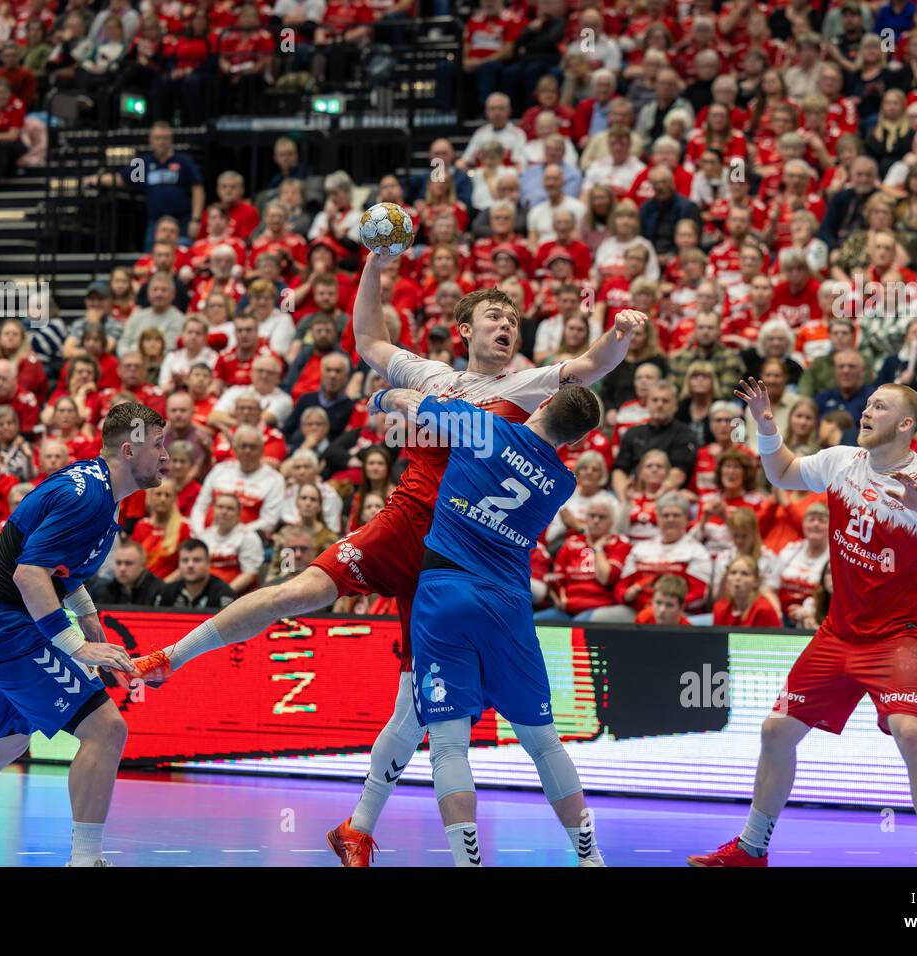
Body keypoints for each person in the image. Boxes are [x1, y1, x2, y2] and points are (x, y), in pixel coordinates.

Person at [119, 256, 641, 867]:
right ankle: (168, 657)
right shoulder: (431, 374)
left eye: (513, 321)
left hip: (457, 559)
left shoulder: (526, 387)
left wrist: (621, 331)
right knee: (295, 592)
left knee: (416, 708)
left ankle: (360, 827)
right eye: (494, 317)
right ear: (464, 329)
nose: (507, 327)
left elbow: (592, 368)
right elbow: (367, 337)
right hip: (404, 524)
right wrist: (374, 263)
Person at [688, 376, 917, 867]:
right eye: (867, 404)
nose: (866, 411)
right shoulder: (843, 460)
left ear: (906, 424)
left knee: (911, 734)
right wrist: (764, 425)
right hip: (839, 632)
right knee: (775, 731)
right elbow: (782, 473)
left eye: (880, 407)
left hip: (898, 638)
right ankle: (751, 848)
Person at [0, 403, 167, 868]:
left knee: (7, 739)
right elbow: (30, 574)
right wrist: (76, 645)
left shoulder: (97, 490)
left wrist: (91, 621)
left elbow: (62, 570)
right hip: (5, 625)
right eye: (158, 445)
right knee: (106, 728)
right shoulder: (89, 499)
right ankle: (85, 860)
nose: (166, 457)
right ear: (128, 449)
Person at [372, 382, 606, 866]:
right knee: (543, 741)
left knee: (449, 743)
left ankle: (467, 862)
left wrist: (381, 397)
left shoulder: (483, 427)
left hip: (445, 592)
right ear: (576, 442)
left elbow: (413, 406)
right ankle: (589, 858)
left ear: (542, 403)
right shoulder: (563, 482)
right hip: (507, 604)